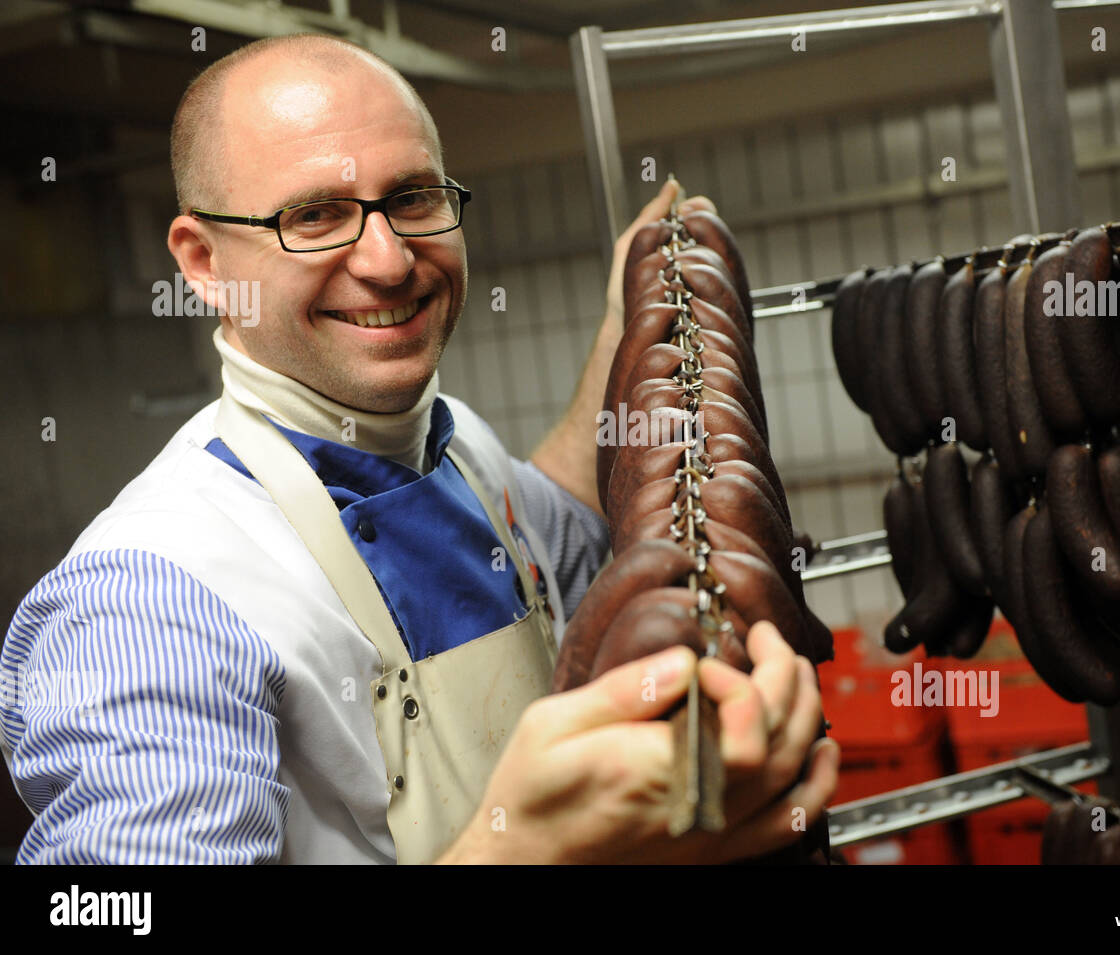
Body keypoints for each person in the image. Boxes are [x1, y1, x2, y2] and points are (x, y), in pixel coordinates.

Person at [0, 33, 838, 864]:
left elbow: (568, 520)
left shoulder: (454, 442)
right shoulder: (148, 598)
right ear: (203, 262)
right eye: (315, 215)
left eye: (412, 197)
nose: (388, 259)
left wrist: (634, 321)